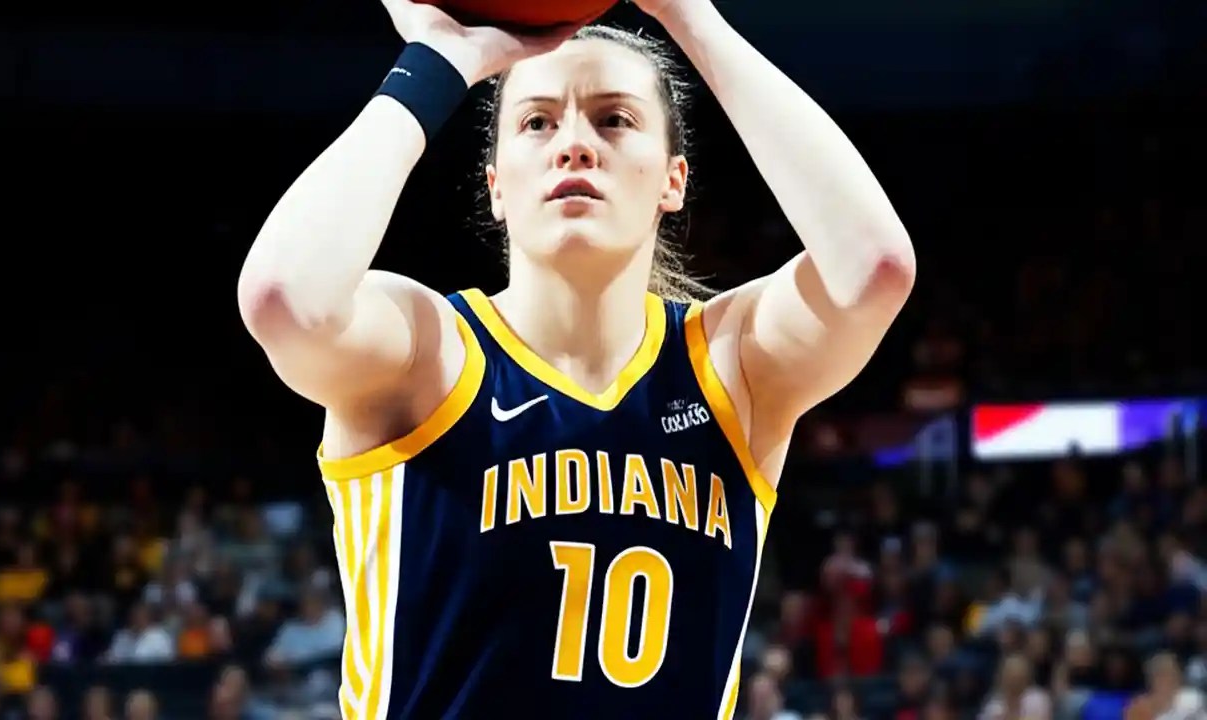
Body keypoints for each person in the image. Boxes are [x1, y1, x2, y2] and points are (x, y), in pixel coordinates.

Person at [237, 0, 914, 717]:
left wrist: (692, 17)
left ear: (672, 180)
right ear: (497, 186)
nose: (575, 145)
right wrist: (440, 61)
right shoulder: (429, 355)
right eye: (537, 122)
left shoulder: (727, 366)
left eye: (614, 118)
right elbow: (285, 298)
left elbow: (873, 269)